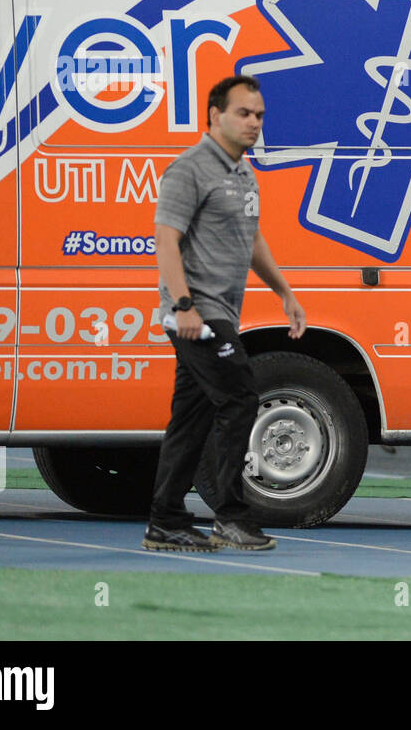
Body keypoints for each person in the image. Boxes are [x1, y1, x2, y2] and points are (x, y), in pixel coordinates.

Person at [143, 75, 306, 553]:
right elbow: (165, 240)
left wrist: (285, 293)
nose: (254, 123)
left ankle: (166, 520)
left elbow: (253, 243)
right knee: (240, 396)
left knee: (190, 418)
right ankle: (232, 518)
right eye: (244, 113)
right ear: (215, 115)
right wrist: (183, 305)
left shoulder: (243, 174)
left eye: (259, 115)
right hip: (197, 314)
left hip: (220, 315)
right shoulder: (189, 169)